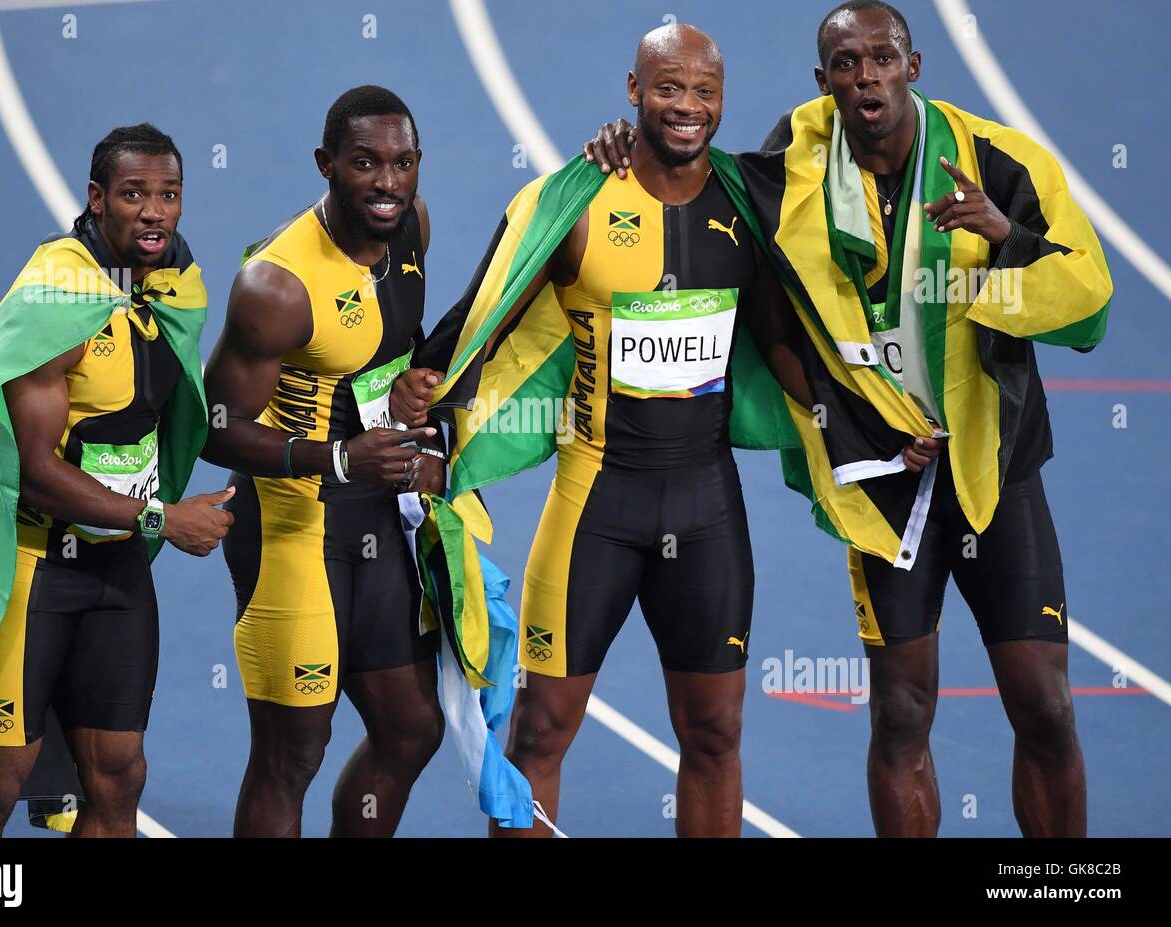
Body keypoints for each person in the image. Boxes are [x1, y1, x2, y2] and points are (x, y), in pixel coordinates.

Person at [584, 1, 1112, 836]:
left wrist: (1007, 237)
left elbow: (1090, 300)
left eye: (883, 58)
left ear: (915, 64)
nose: (866, 76)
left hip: (991, 466)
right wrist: (619, 143)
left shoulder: (996, 159)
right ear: (823, 81)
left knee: (1044, 703)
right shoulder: (798, 157)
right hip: (886, 477)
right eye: (846, 64)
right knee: (901, 710)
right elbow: (704, 183)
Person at [395, 25, 789, 837]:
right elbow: (485, 309)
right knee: (541, 729)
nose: (688, 107)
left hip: (708, 507)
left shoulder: (751, 200)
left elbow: (793, 331)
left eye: (705, 90)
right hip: (595, 504)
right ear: (634, 91)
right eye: (668, 88)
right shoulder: (574, 201)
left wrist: (867, 419)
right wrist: (425, 391)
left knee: (715, 731)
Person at [0, 124, 233, 837]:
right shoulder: (55, 301)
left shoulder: (176, 282)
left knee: (119, 778)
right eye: (133, 194)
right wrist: (161, 518)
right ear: (96, 198)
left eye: (169, 194)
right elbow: (35, 473)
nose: (154, 211)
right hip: (35, 575)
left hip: (117, 575)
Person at [201, 86, 445, 837]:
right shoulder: (276, 286)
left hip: (374, 515)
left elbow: (392, 350)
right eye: (366, 164)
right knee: (291, 751)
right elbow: (212, 427)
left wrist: (419, 401)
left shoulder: (412, 228)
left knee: (410, 727)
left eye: (403, 163)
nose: (388, 183)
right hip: (291, 525)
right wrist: (337, 456)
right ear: (327, 165)